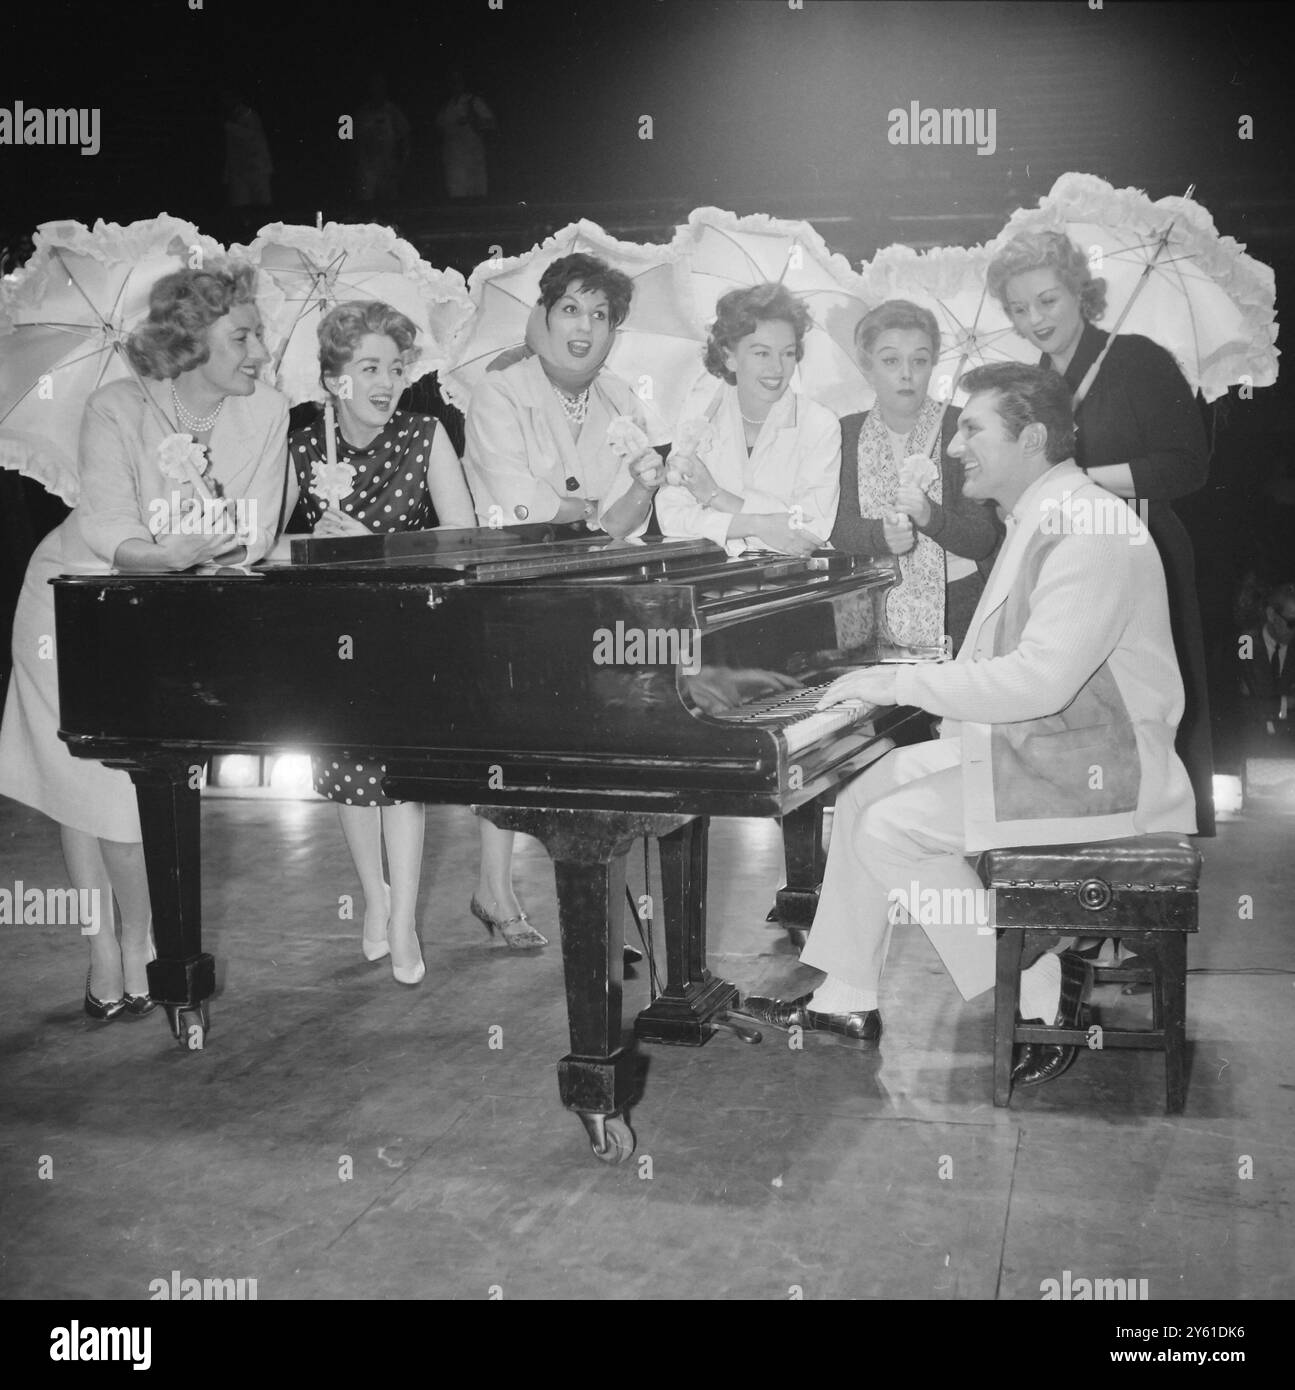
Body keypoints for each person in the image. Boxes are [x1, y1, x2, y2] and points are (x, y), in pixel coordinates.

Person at [741, 364, 1197, 1089]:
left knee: (893, 829)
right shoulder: (1043, 516)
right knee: (870, 786)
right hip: (1049, 747)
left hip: (1101, 769)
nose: (955, 446)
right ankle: (844, 998)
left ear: (1034, 437)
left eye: (973, 428)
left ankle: (1038, 993)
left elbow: (1037, 680)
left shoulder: (1092, 525)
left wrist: (892, 682)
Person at [0, 264, 291, 1020]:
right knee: (87, 791)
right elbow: (101, 519)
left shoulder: (267, 412)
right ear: (190, 341)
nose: (262, 348)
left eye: (259, 331)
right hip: (72, 603)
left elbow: (256, 531)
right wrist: (160, 551)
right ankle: (114, 951)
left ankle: (148, 948)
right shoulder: (116, 407)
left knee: (130, 796)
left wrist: (213, 538)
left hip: (164, 615)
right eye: (243, 335)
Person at [464, 252, 668, 950]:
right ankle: (493, 887)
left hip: (591, 591)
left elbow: (625, 522)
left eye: (601, 314)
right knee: (511, 741)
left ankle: (610, 910)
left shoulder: (624, 402)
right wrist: (582, 510)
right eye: (571, 309)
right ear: (543, 315)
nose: (585, 326)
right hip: (513, 586)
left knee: (605, 748)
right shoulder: (499, 389)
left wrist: (643, 485)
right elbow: (510, 496)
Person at [987, 229, 1215, 834]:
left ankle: (1156, 859)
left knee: (1143, 708)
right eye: (1017, 307)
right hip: (1059, 562)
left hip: (1144, 549)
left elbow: (1188, 465)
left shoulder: (1136, 358)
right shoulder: (1028, 389)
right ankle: (1084, 855)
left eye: (1047, 300)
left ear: (1079, 294)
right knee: (1076, 711)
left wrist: (1078, 477)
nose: (1033, 319)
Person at [288, 301, 477, 985]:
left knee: (399, 780)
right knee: (344, 774)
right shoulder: (303, 446)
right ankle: (374, 896)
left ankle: (402, 923)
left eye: (395, 368)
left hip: (404, 630)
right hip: (331, 632)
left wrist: (379, 547)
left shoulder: (425, 433)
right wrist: (314, 542)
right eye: (368, 366)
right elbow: (266, 548)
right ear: (334, 377)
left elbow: (462, 537)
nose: (387, 380)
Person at [830, 299, 1001, 653]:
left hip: (960, 604)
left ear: (932, 365)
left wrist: (929, 516)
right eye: (891, 360)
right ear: (867, 366)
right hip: (868, 609)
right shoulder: (844, 434)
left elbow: (983, 538)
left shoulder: (960, 425)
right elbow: (836, 527)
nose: (906, 373)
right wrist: (882, 535)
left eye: (919, 360)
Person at [656, 283, 840, 556]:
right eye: (762, 353)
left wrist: (715, 496)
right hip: (712, 585)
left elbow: (810, 530)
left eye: (787, 353)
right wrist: (758, 525)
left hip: (792, 585)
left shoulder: (820, 425)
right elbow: (670, 516)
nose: (777, 368)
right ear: (729, 357)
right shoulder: (701, 415)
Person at [1235, 580, 1295, 746]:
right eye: (1292, 623)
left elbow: (1256, 703)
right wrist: (1286, 703)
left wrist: (1266, 708)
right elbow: (1242, 706)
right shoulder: (1246, 642)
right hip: (1250, 745)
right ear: (1271, 615)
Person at [435, 68, 496, 201]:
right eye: (452, 81)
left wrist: (473, 119)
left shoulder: (473, 101)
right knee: (457, 198)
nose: (455, 84)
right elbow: (439, 131)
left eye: (458, 80)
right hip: (453, 162)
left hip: (473, 160)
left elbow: (491, 123)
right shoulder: (446, 106)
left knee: (477, 198)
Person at [353, 74, 411, 206]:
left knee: (388, 204)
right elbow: (349, 138)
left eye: (380, 88)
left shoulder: (392, 111)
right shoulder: (361, 113)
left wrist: (402, 163)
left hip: (388, 167)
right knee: (367, 204)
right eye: (373, 88)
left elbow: (406, 136)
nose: (376, 91)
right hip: (367, 168)